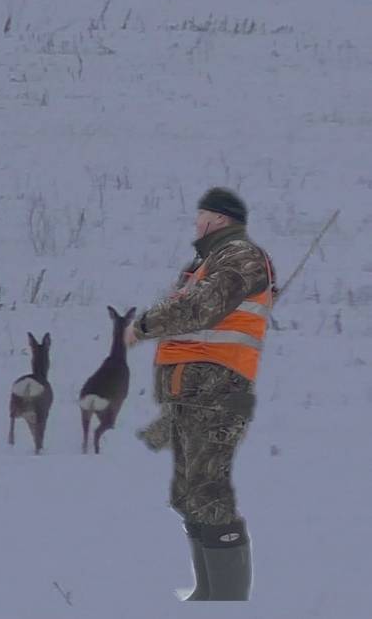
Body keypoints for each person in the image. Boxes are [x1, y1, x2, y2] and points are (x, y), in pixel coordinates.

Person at [124, 187, 275, 601]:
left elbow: (200, 307)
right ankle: (207, 595)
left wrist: (143, 326)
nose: (196, 222)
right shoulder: (208, 262)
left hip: (218, 391)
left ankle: (227, 600)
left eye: (202, 215)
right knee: (189, 493)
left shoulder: (240, 256)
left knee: (209, 492)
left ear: (220, 219)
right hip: (190, 395)